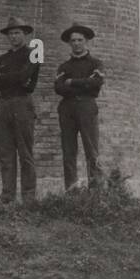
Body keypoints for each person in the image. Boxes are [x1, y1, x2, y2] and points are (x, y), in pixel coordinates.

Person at [0, 15, 40, 204]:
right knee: (6, 152)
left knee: (25, 152)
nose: (14, 37)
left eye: (17, 33)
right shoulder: (2, 58)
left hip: (22, 104)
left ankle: (28, 196)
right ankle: (8, 195)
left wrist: (5, 77)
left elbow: (25, 78)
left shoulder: (33, 54)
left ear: (24, 34)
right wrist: (14, 77)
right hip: (4, 104)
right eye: (10, 34)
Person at [55, 23, 105, 191]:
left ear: (86, 41)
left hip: (87, 106)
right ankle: (71, 189)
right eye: (73, 40)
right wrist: (84, 83)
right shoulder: (64, 67)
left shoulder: (95, 64)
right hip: (67, 108)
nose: (76, 43)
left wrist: (73, 82)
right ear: (69, 43)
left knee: (91, 149)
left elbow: (96, 83)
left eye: (80, 40)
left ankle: (95, 190)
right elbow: (58, 88)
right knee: (68, 150)